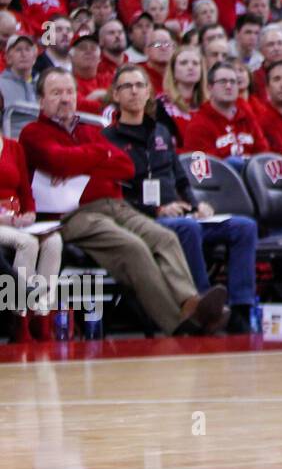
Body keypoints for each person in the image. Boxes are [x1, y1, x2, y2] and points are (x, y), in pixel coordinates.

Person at [20, 68, 228, 335]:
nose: (65, 98)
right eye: (56, 93)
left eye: (70, 92)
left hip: (114, 205)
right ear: (41, 100)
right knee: (134, 248)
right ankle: (178, 324)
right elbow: (57, 160)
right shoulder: (33, 133)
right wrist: (98, 156)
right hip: (72, 215)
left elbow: (125, 166)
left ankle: (190, 303)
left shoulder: (88, 130)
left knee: (164, 238)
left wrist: (81, 160)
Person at [104, 64, 259, 333]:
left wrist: (198, 204)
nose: (134, 91)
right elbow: (111, 194)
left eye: (140, 85)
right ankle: (202, 305)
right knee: (186, 228)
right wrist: (157, 210)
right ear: (115, 95)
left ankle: (241, 310)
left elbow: (180, 178)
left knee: (244, 227)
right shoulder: (107, 139)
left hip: (178, 213)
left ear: (148, 92)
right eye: (126, 86)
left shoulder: (161, 132)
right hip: (142, 218)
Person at [0, 131, 62, 338]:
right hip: (2, 224)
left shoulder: (13, 147)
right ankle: (20, 320)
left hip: (16, 221)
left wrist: (30, 213)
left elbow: (25, 191)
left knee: (53, 241)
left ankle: (42, 317)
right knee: (27, 243)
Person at [182, 60, 270, 165]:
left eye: (233, 82)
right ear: (210, 88)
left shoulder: (247, 118)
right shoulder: (198, 125)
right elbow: (200, 168)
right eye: (223, 81)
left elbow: (263, 155)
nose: (228, 86)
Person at [0, 33, 39, 106]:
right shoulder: (1, 85)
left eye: (27, 49)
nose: (23, 54)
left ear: (34, 57)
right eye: (18, 50)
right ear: (8, 58)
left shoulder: (42, 84)